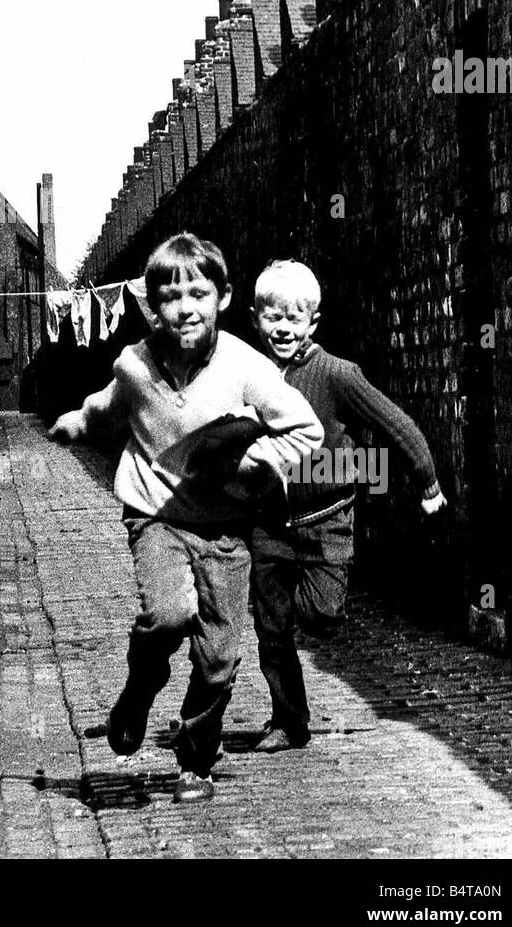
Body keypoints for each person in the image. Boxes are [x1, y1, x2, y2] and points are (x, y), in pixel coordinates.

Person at [49, 234, 324, 802]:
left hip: (226, 528)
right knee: (170, 614)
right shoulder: (135, 366)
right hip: (156, 515)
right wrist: (77, 420)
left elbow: (306, 430)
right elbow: (107, 407)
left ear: (223, 298)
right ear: (152, 305)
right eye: (169, 296)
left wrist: (258, 463)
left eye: (199, 293)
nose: (185, 308)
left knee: (221, 656)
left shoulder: (247, 368)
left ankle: (195, 757)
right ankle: (140, 688)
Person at [249, 259, 447, 752]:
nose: (283, 328)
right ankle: (288, 720)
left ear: (313, 322)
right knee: (270, 631)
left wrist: (427, 482)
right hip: (268, 522)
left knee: (322, 614)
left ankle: (305, 616)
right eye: (273, 317)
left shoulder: (337, 374)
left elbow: (395, 423)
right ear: (256, 319)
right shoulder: (245, 373)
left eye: (295, 319)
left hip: (328, 518)